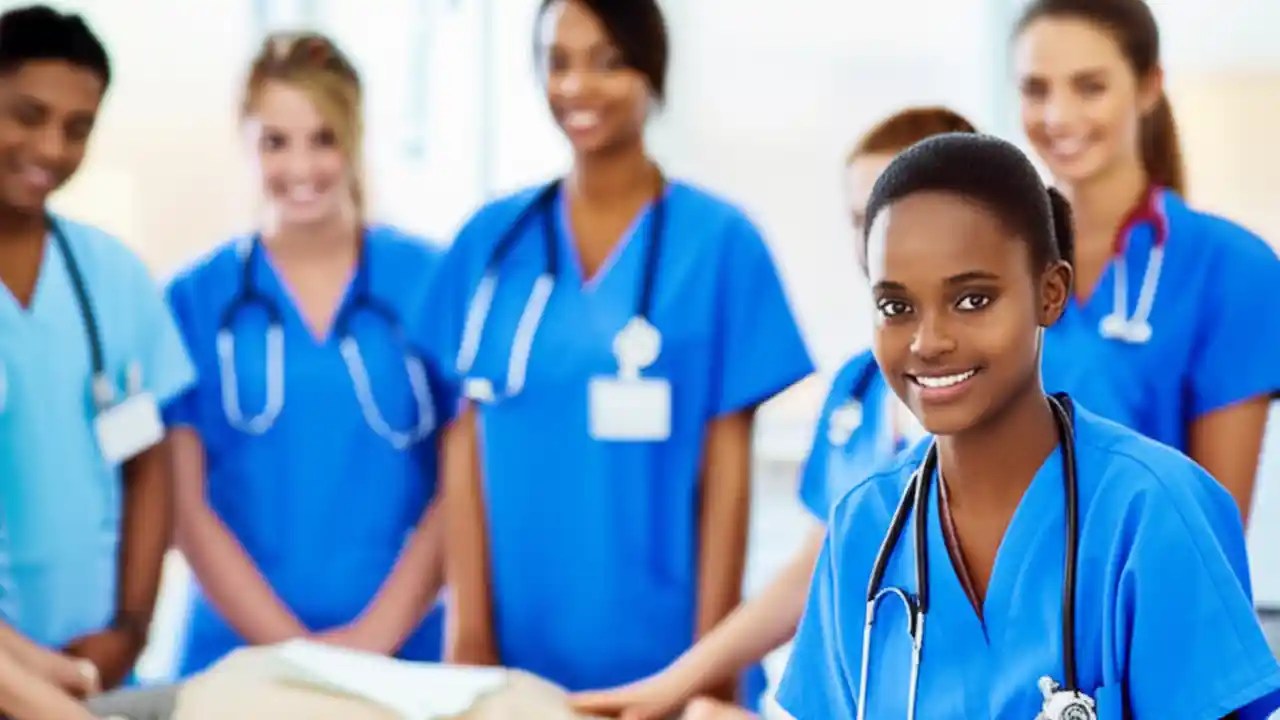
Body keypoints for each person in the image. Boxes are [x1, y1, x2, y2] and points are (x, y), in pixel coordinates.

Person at [775, 131, 1280, 718]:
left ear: (1050, 293)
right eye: (896, 306)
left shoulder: (1152, 511)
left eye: (971, 300)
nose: (928, 340)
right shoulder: (864, 527)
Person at [427, 0, 813, 708]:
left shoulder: (721, 244)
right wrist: (469, 628)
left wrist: (708, 664)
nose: (578, 86)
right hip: (513, 658)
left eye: (608, 61)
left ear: (651, 69)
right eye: (558, 62)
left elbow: (729, 472)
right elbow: (463, 441)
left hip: (665, 657)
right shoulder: (490, 242)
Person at [571, 107, 976, 720]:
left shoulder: (1014, 400)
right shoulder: (857, 392)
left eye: (896, 212)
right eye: (860, 219)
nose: (876, 240)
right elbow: (821, 564)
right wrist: (676, 686)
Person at [163, 32, 454, 676]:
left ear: (354, 140)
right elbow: (183, 508)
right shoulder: (193, 298)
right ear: (246, 141)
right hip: (235, 657)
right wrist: (295, 653)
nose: (301, 167)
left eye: (324, 139)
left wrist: (371, 640)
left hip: (402, 654)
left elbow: (462, 482)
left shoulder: (430, 281)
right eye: (276, 141)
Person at [1015, 0, 1280, 523]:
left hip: (1152, 595)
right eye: (1036, 89)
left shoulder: (1232, 269)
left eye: (1089, 86)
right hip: (992, 598)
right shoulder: (997, 262)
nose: (1058, 116)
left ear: (1148, 87)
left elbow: (1212, 527)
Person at [0, 5, 194, 690]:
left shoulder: (112, 279)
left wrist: (132, 630)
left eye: (77, 129)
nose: (51, 149)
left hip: (94, 669)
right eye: (27, 115)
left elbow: (148, 462)